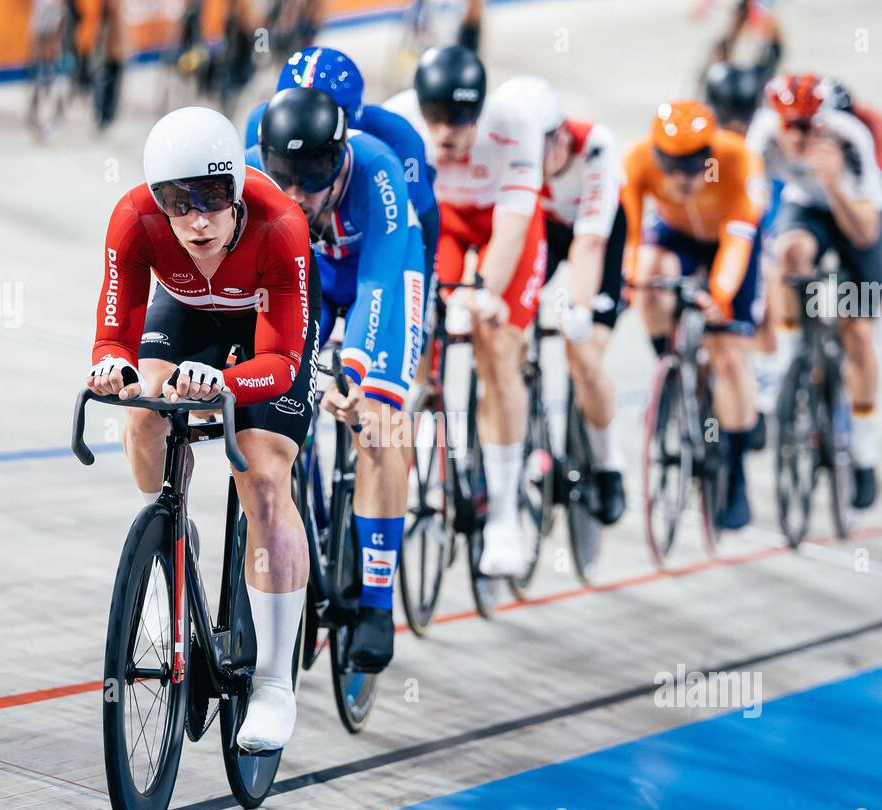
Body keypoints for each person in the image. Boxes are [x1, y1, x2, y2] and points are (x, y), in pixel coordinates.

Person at [86, 107, 319, 753]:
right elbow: (115, 333)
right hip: (186, 312)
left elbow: (280, 362)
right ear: (156, 202)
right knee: (143, 421)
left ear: (239, 190)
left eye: (213, 196)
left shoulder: (281, 225)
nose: (196, 219)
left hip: (268, 323)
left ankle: (274, 683)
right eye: (177, 202)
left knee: (263, 475)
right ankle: (168, 540)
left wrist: (224, 385)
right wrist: (112, 367)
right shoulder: (133, 220)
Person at [249, 87, 427, 671]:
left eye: (311, 180)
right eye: (284, 180)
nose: (295, 196)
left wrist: (351, 371)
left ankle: (377, 602)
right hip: (316, 275)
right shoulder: (254, 169)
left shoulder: (376, 172)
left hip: (386, 271)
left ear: (338, 160)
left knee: (376, 423)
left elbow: (377, 289)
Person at [386, 45, 550, 577]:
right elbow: (400, 226)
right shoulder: (398, 119)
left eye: (458, 121)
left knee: (497, 347)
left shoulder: (516, 125)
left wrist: (480, 293)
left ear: (480, 113)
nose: (444, 133)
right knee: (413, 329)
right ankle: (416, 456)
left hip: (504, 222)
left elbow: (513, 230)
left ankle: (504, 514)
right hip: (445, 221)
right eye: (435, 118)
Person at [747, 74, 882, 509]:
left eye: (808, 125)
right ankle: (792, 353)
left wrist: (832, 181)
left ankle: (864, 450)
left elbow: (866, 233)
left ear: (824, 121)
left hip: (857, 213)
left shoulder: (850, 139)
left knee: (858, 332)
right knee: (786, 255)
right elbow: (750, 212)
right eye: (789, 125)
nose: (798, 136)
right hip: (807, 207)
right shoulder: (762, 135)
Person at [622, 101, 766, 530]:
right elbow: (631, 236)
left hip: (730, 239)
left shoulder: (739, 160)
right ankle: (668, 376)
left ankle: (736, 476)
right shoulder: (638, 159)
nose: (683, 179)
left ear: (709, 157)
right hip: (677, 236)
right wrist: (630, 279)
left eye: (693, 167)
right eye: (672, 167)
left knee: (729, 357)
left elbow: (739, 242)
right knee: (649, 278)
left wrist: (719, 294)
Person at [493, 75, 628, 524]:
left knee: (584, 358)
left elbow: (589, 245)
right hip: (543, 230)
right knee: (503, 340)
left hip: (599, 233)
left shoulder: (596, 148)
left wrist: (580, 310)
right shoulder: (510, 148)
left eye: (537, 148)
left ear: (562, 135)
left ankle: (610, 465)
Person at [243, 47, 440, 295]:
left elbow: (422, 225)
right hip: (314, 260)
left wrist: (426, 299)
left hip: (372, 258)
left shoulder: (399, 139)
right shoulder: (259, 127)